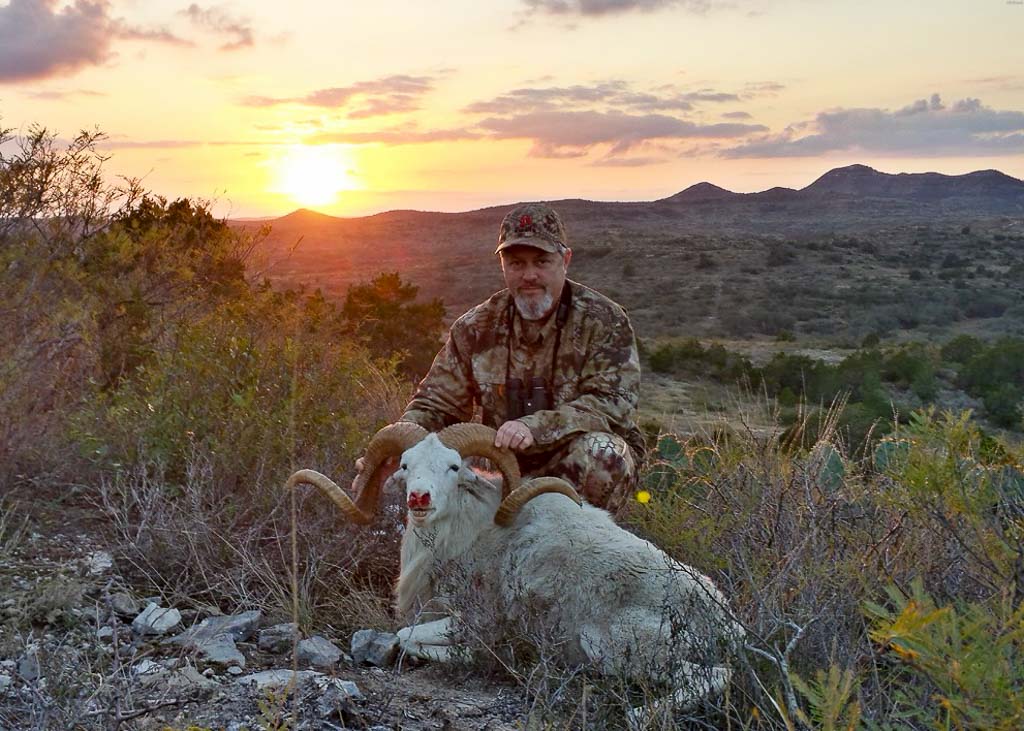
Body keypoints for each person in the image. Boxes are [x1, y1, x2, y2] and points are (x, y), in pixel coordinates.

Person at [369, 202, 644, 514]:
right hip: (501, 462)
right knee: (421, 475)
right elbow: (436, 403)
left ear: (565, 260)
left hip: (571, 460)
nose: (529, 275)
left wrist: (535, 428)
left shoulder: (605, 321)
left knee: (604, 455)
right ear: (502, 265)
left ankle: (573, 539)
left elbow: (612, 405)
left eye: (541, 262)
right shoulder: (475, 327)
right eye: (516, 264)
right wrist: (400, 446)